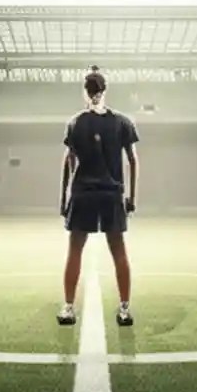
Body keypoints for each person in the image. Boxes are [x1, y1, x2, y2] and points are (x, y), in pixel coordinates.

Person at [57, 67, 139, 327]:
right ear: (105, 91)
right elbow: (133, 161)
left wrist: (63, 197)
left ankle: (68, 308)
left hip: (83, 194)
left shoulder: (75, 122)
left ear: (85, 92)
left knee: (75, 250)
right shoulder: (124, 122)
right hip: (112, 194)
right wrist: (131, 198)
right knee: (118, 251)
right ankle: (124, 309)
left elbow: (68, 162)